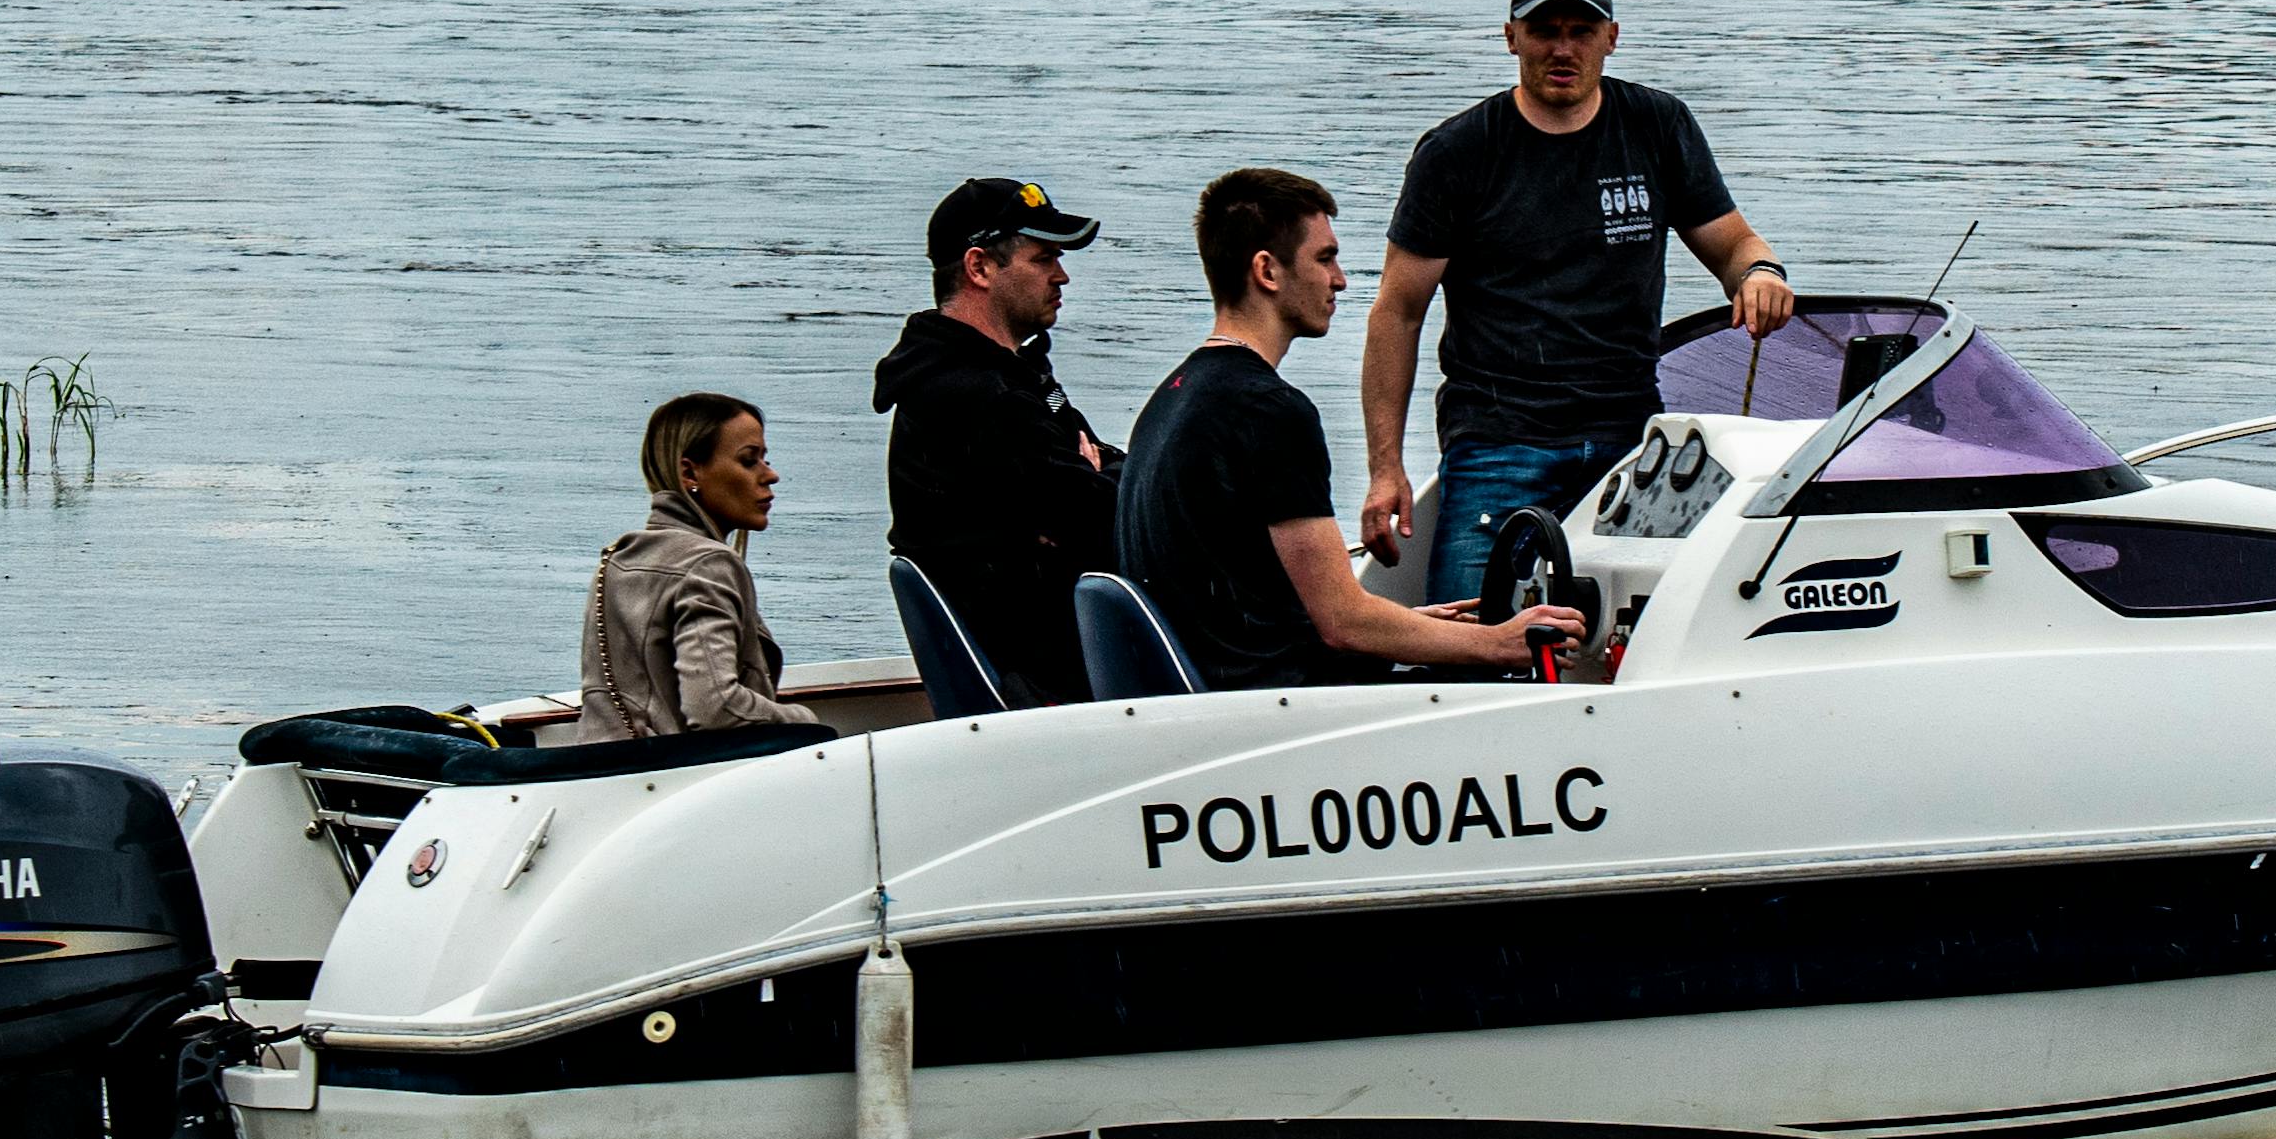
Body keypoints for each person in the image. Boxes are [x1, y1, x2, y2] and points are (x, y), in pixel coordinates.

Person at [1360, 0, 1796, 607]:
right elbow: (1397, 311)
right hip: (1499, 442)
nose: (1562, 48)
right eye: (1544, 30)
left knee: (1645, 632)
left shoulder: (1657, 126)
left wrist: (1759, 273)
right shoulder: (1456, 154)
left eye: (1581, 30)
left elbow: (1732, 242)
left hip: (1630, 439)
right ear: (1511, 36)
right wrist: (1385, 468)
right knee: (1464, 641)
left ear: (1611, 38)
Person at [1112, 165, 1547, 688]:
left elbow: (1252, 599)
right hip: (1276, 708)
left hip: (1212, 689)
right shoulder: (1268, 411)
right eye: (1325, 258)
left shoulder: (1171, 397)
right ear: (1267, 272)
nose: (1340, 279)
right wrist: (1501, 642)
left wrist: (1415, 626)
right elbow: (1343, 623)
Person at [864, 175, 1115, 711]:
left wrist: (1093, 476)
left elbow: (1101, 469)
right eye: (1044, 258)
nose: (1062, 275)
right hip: (1042, 687)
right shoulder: (975, 397)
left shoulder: (1015, 377)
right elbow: (1104, 516)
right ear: (979, 267)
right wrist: (1089, 481)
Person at [575, 391, 823, 742]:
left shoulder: (620, 556)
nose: (771, 475)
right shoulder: (708, 564)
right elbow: (715, 707)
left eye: (765, 459)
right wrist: (806, 721)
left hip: (603, 770)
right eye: (750, 461)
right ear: (690, 472)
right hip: (673, 775)